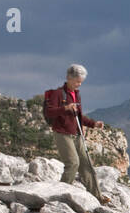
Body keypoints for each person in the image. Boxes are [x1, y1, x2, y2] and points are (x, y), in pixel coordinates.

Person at [44, 64, 105, 199]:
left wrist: (93, 124)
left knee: (87, 165)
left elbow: (79, 116)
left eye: (81, 82)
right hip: (62, 134)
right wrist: (65, 108)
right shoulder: (57, 94)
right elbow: (49, 112)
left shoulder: (76, 95)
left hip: (77, 135)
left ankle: (97, 197)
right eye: (77, 81)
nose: (79, 85)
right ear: (69, 78)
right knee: (73, 163)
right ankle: (59, 196)